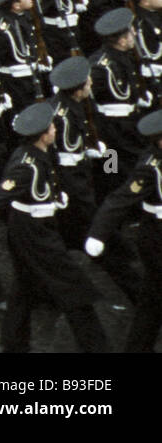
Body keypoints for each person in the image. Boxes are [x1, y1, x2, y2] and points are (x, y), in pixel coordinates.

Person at [0, 102, 107, 353]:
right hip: (33, 233)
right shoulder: (26, 165)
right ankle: (96, 346)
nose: (55, 130)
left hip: (37, 226)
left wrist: (55, 196)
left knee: (23, 288)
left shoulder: (39, 152)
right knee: (73, 286)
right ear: (43, 134)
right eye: (51, 128)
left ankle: (13, 345)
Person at [85, 109, 162, 352]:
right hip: (156, 237)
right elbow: (119, 199)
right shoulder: (150, 167)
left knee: (151, 302)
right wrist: (98, 233)